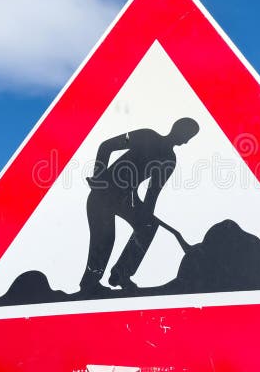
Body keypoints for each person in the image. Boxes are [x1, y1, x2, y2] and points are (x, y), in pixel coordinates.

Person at [79, 117, 199, 294]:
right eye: (187, 135)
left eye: (190, 137)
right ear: (178, 129)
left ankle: (121, 274)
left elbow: (152, 195)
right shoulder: (146, 136)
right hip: (102, 195)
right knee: (105, 239)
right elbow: (106, 146)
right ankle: (89, 284)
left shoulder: (169, 161)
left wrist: (146, 215)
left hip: (125, 200)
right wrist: (99, 177)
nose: (187, 141)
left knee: (148, 226)